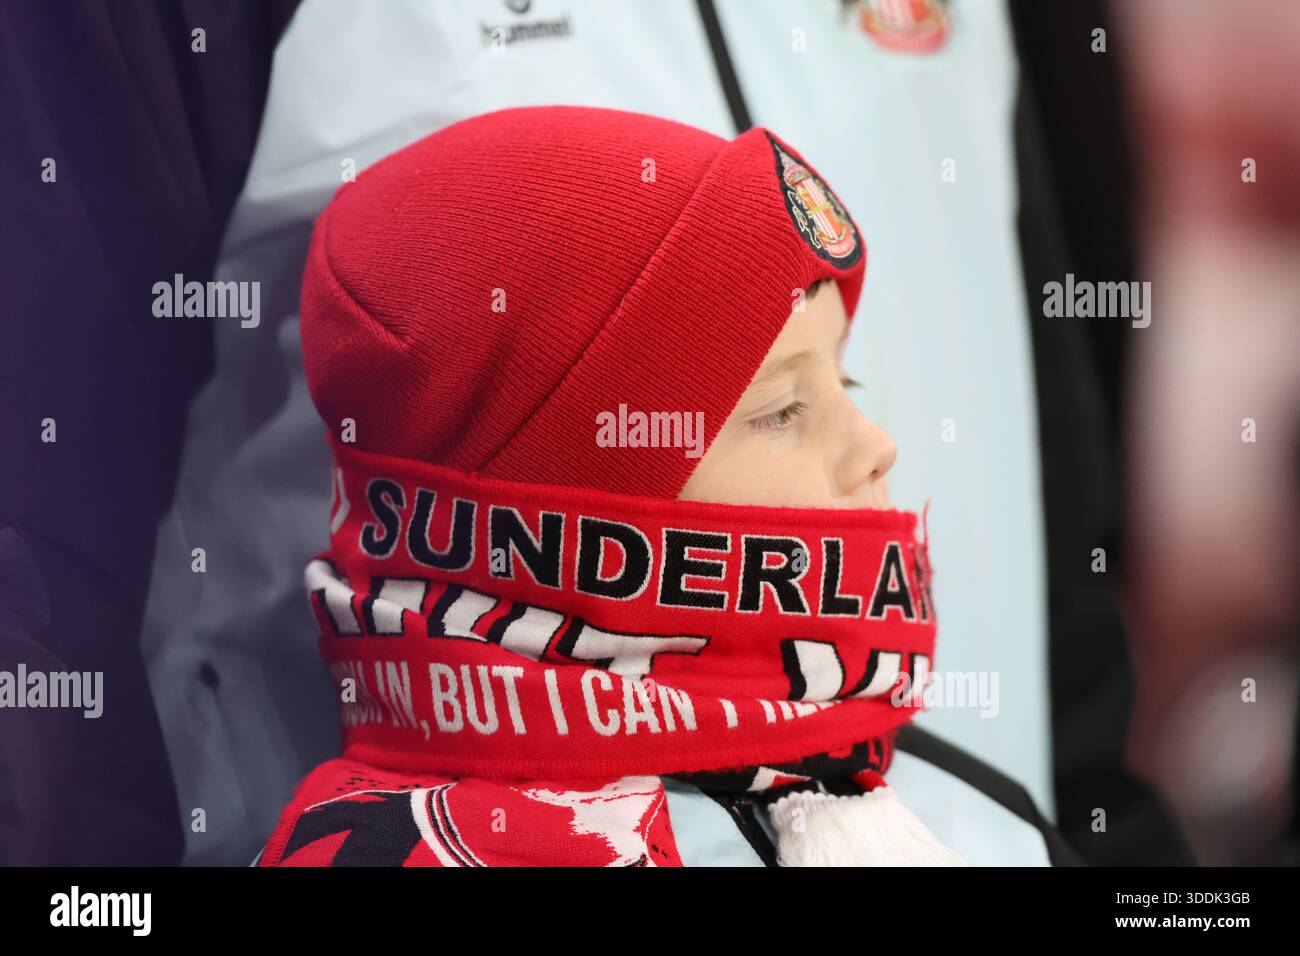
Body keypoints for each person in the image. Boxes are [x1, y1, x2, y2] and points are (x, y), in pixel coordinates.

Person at [255, 104, 1075, 866]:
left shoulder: (877, 768)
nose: (877, 446)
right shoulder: (420, 845)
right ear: (553, 534)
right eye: (784, 409)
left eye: (844, 384)